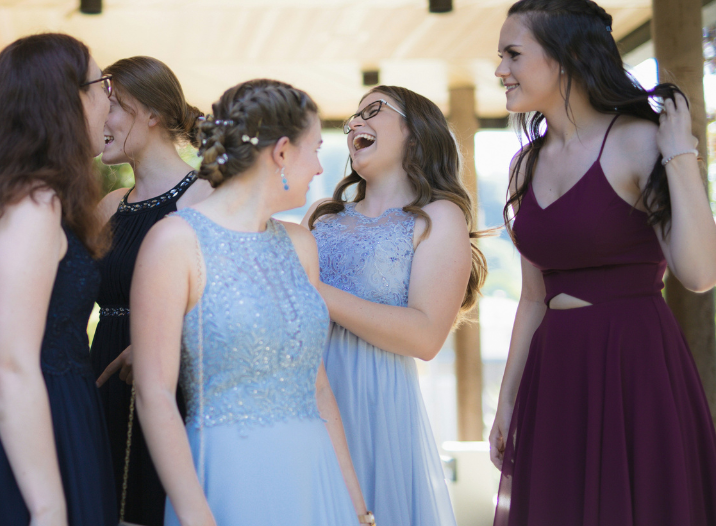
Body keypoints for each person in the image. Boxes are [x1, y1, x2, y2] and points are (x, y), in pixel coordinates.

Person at [489, 0, 716, 525]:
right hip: (554, 373)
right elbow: (533, 298)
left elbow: (700, 274)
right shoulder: (524, 165)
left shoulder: (641, 143)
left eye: (513, 54)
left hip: (635, 367)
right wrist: (507, 401)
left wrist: (680, 153)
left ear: (566, 57)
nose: (500, 71)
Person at [131, 79, 373, 526]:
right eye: (315, 149)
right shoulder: (175, 241)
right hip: (230, 479)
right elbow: (154, 394)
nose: (319, 167)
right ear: (281, 152)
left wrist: (359, 511)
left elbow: (318, 388)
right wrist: (195, 515)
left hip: (314, 480)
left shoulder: (300, 245)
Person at [0, 33, 116, 526]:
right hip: (29, 448)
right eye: (102, 86)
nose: (109, 101)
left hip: (54, 424)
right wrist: (47, 507)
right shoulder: (30, 206)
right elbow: (10, 365)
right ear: (66, 101)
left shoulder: (33, 200)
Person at [305, 85, 486, 526]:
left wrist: (315, 292)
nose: (354, 123)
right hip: (306, 391)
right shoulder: (321, 216)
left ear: (416, 130)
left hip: (375, 400)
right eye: (351, 119)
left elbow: (425, 337)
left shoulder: (439, 217)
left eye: (373, 111)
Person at [91, 55, 212, 526]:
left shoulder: (204, 197)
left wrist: (162, 344)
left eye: (112, 106)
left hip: (173, 383)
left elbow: (232, 304)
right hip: (103, 378)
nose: (100, 119)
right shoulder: (107, 207)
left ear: (153, 114)